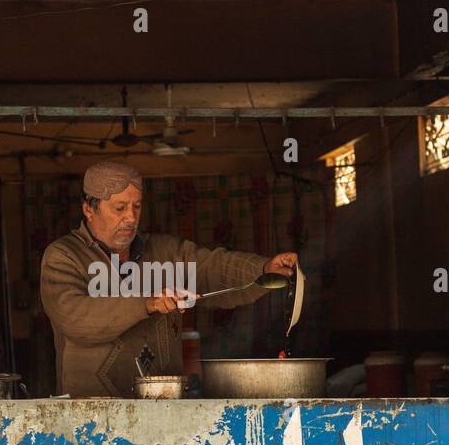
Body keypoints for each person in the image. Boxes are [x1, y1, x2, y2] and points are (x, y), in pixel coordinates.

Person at [40, 161, 298, 397]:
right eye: (119, 207)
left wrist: (262, 268)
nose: (131, 217)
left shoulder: (166, 252)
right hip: (89, 414)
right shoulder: (64, 256)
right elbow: (75, 317)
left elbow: (212, 268)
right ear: (88, 209)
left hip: (163, 408)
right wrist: (147, 303)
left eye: (137, 206)